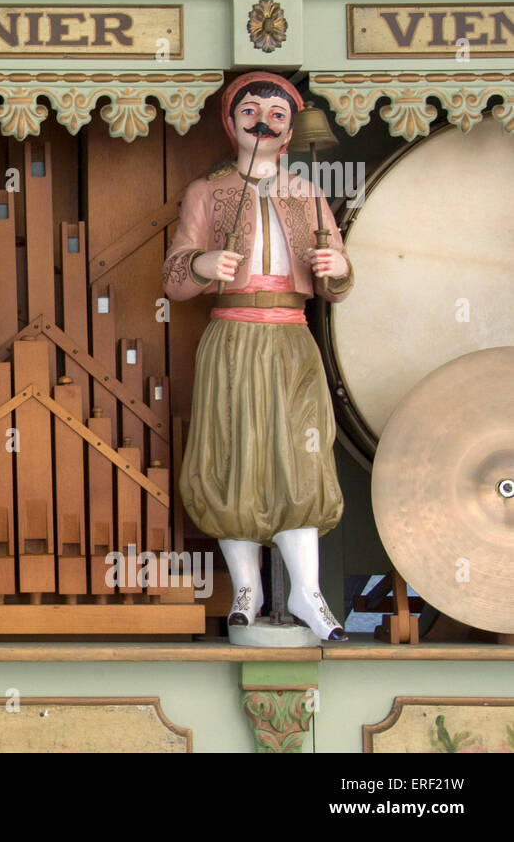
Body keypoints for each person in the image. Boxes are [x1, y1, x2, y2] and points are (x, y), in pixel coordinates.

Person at [162, 71, 353, 641]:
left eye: (276, 112)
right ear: (231, 120)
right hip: (233, 336)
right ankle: (247, 588)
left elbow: (337, 278)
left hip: (291, 337)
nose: (263, 120)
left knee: (300, 457)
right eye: (251, 110)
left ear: (290, 125)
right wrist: (200, 265)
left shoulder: (306, 192)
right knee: (233, 453)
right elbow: (174, 276)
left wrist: (337, 271)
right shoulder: (207, 191)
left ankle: (307, 592)